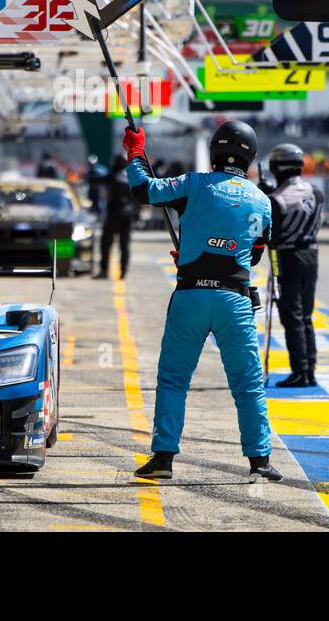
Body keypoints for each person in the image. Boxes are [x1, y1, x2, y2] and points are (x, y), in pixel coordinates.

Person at [127, 121, 281, 483]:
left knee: (173, 380)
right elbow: (254, 254)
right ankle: (260, 461)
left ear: (214, 152)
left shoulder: (193, 183)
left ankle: (163, 458)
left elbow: (142, 189)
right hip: (235, 300)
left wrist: (135, 152)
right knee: (247, 383)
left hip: (192, 293)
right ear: (250, 158)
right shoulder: (262, 201)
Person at [266, 143, 325, 388]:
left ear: (277, 167)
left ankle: (299, 371)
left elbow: (272, 237)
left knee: (292, 315)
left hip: (288, 257)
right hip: (312, 254)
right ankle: (309, 368)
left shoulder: (277, 199)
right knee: (307, 314)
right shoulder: (316, 191)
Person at [95, 156, 136, 280]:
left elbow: (97, 180)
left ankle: (104, 270)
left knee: (106, 243)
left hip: (114, 213)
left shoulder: (113, 175)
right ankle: (123, 271)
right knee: (124, 245)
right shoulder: (130, 176)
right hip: (127, 214)